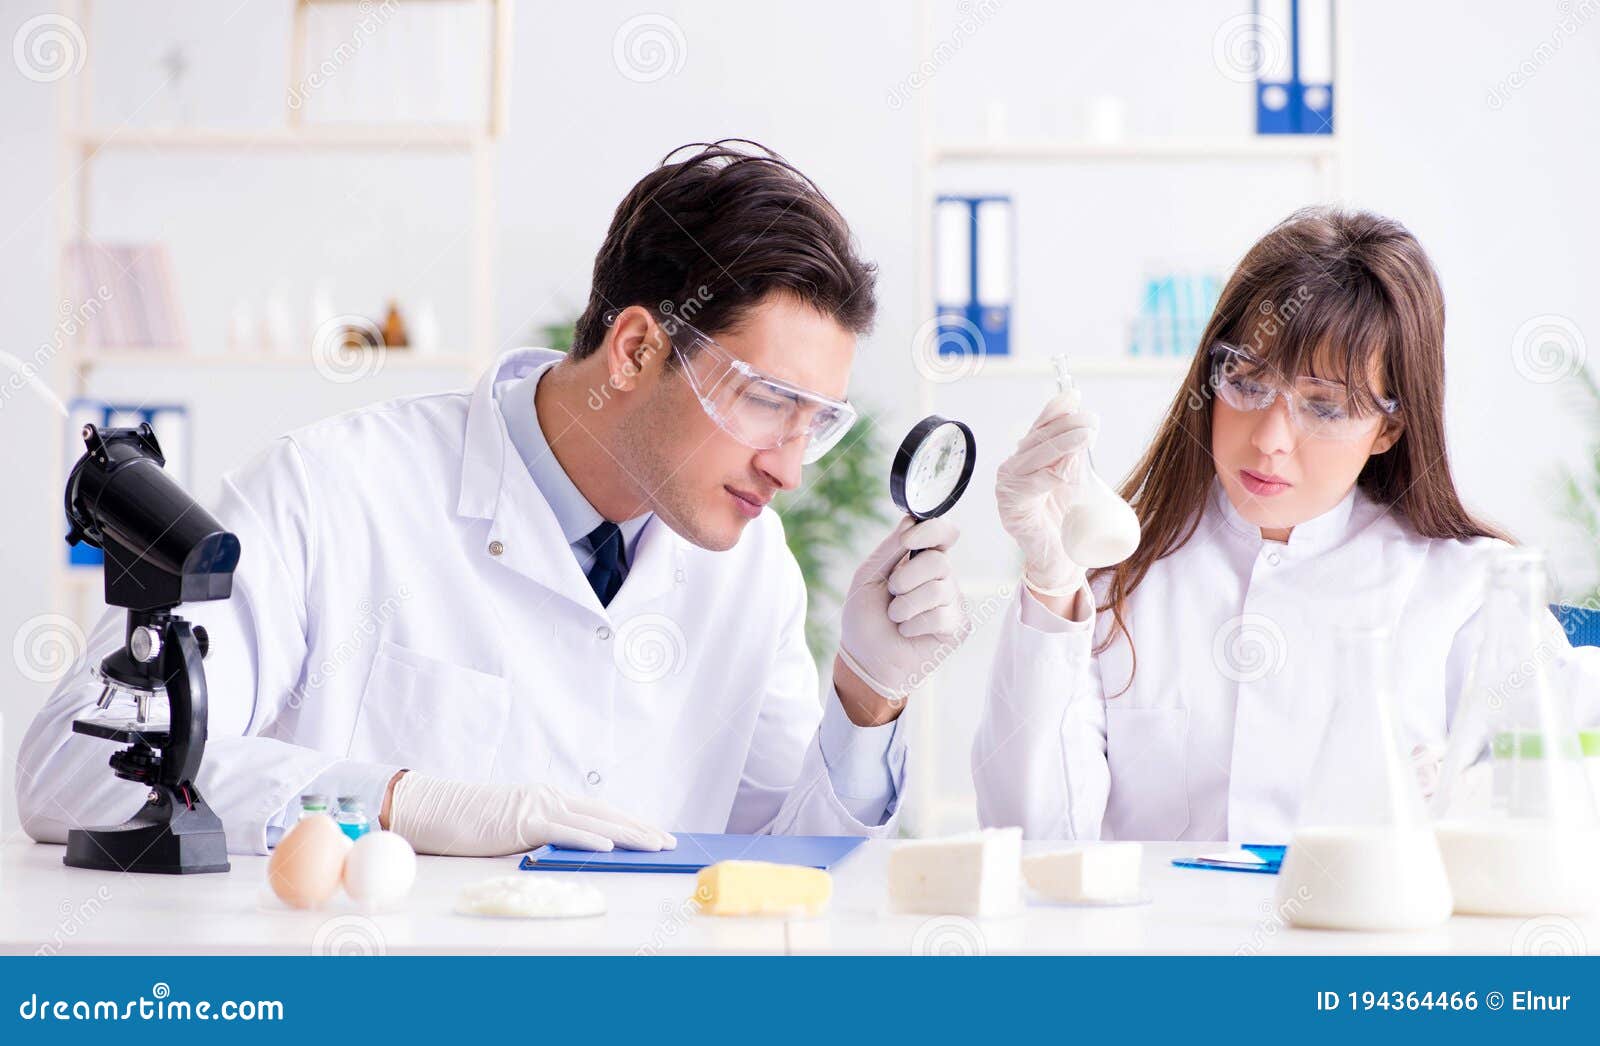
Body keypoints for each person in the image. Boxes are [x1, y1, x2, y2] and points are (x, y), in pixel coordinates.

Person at [19, 141, 969, 856]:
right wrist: (392, 801)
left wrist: (866, 700)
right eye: (768, 401)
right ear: (637, 350)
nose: (791, 468)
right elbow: (71, 765)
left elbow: (783, 862)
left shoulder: (749, 566)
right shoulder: (333, 491)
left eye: (818, 421)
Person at [973, 206, 1600, 842]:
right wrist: (1051, 586)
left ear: (1389, 428)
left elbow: (1570, 790)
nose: (1271, 438)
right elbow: (1034, 842)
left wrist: (1467, 800)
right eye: (1245, 381)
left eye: (1324, 407)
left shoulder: (1466, 590)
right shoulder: (1116, 577)